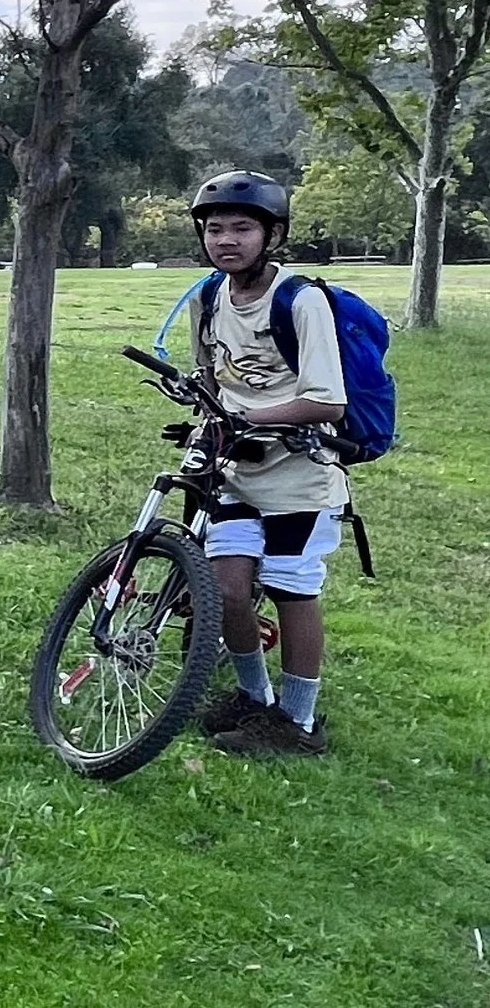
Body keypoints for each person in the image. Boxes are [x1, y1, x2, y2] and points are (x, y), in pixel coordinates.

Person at [186, 172, 348, 757]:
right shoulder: (207, 297)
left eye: (243, 228)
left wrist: (251, 419)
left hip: (299, 477)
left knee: (289, 592)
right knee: (227, 591)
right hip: (236, 472)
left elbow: (328, 400)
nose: (226, 240)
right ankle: (255, 702)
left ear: (272, 234)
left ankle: (298, 723)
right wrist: (210, 419)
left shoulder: (300, 301)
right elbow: (210, 375)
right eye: (215, 228)